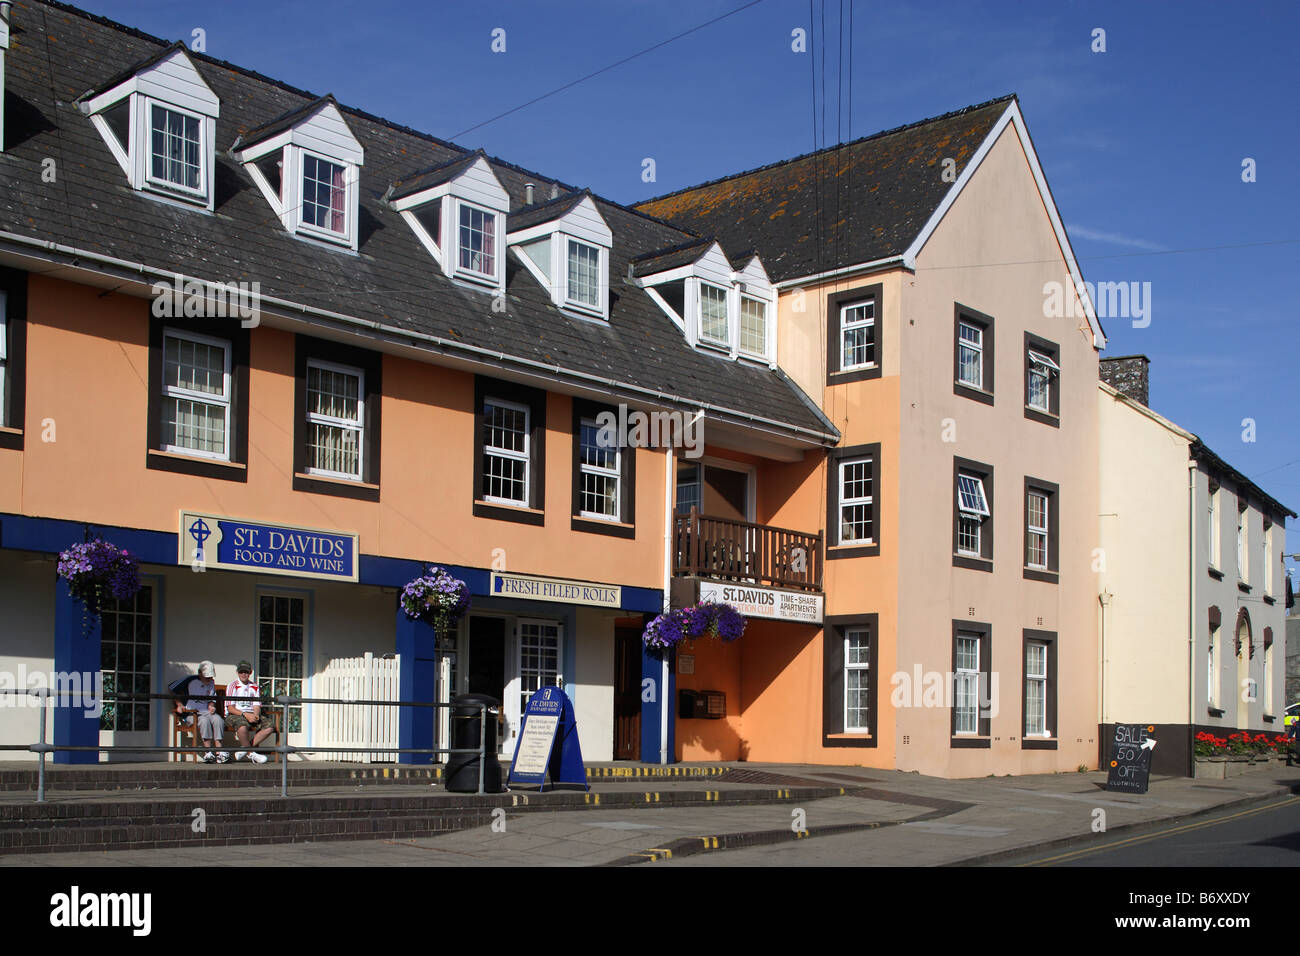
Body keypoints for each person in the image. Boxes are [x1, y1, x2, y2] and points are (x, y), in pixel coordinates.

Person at [173, 661, 227, 763]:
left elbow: (212, 698)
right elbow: (172, 688)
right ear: (200, 673)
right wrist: (179, 704)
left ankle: (219, 752)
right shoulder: (190, 680)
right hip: (191, 712)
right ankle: (208, 752)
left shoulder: (211, 682)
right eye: (207, 677)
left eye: (210, 677)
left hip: (205, 711)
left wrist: (211, 705)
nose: (209, 679)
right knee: (204, 721)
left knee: (218, 719)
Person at [224, 661, 274, 764]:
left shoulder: (254, 686)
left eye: (246, 672)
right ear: (238, 672)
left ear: (250, 673)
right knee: (242, 726)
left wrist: (255, 715)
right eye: (241, 672)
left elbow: (256, 705)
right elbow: (230, 708)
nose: (243, 674)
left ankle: (245, 749)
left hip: (250, 713)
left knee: (270, 726)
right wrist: (245, 715)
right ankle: (251, 753)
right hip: (236, 714)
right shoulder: (232, 685)